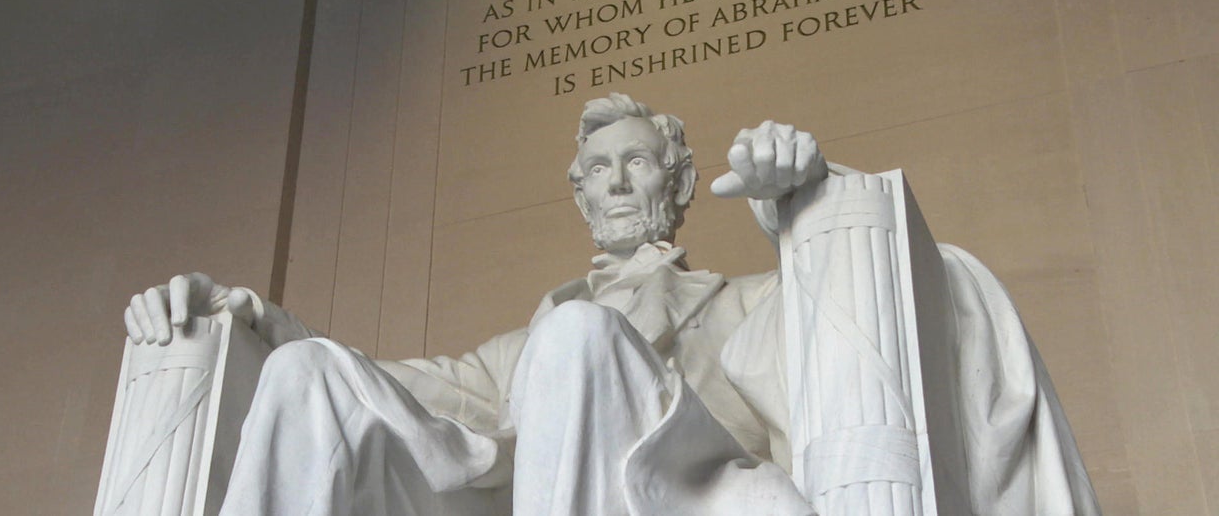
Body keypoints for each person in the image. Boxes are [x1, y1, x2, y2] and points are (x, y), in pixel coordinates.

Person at [122, 93, 1099, 515]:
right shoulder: (518, 346)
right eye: (597, 167)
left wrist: (794, 200)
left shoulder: (746, 296)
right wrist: (251, 323)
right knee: (304, 374)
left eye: (637, 159)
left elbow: (852, 330)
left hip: (708, 501)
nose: (616, 178)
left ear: (676, 184)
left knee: (576, 343)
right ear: (580, 195)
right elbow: (389, 393)